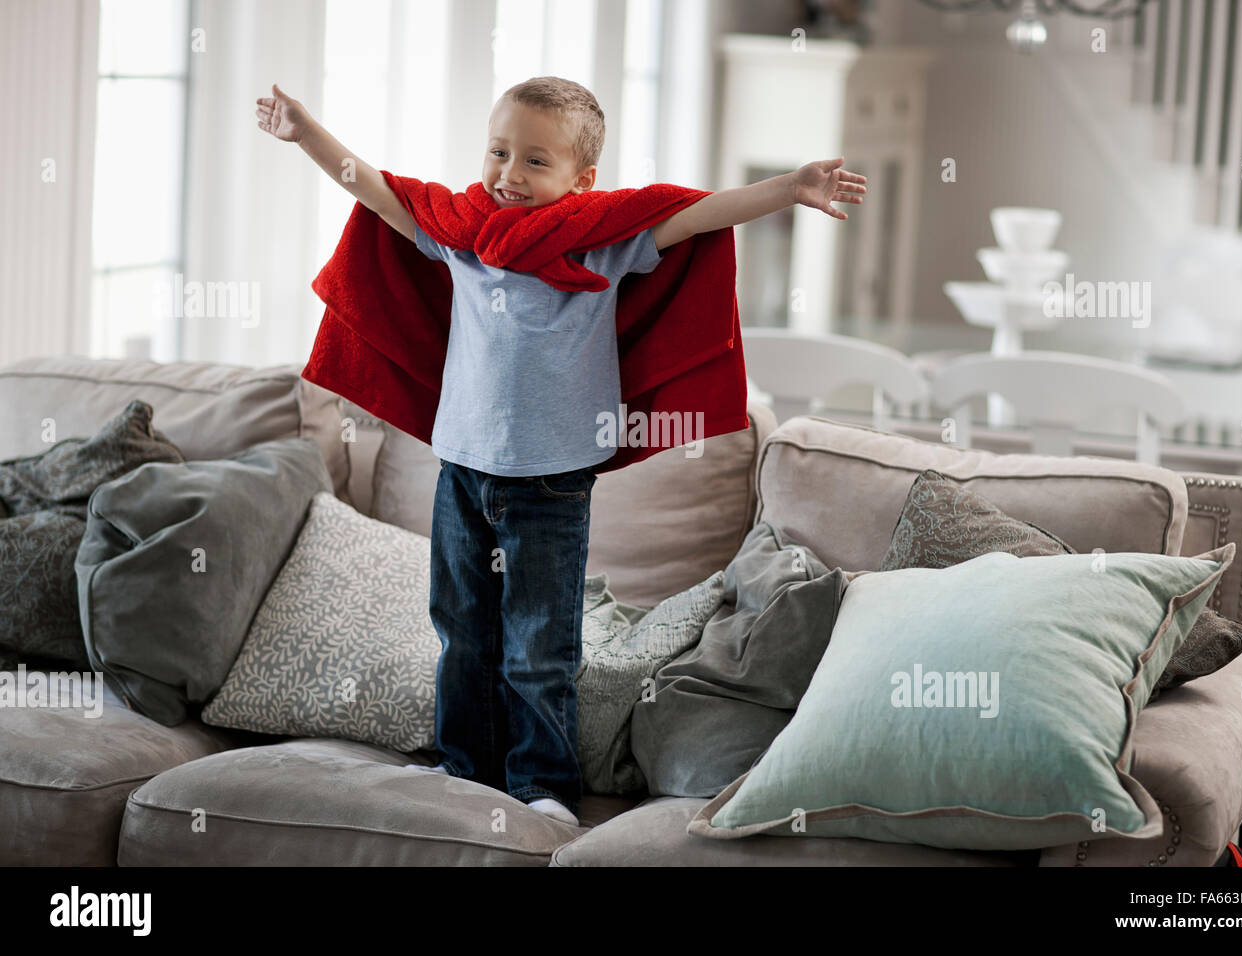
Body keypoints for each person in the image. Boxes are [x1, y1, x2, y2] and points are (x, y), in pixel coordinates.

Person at [255, 75, 865, 827]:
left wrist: (790, 186)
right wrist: (304, 130)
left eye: (534, 162)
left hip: (550, 485)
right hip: (463, 475)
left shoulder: (606, 242)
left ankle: (541, 782)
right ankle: (463, 768)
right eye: (499, 151)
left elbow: (697, 212)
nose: (509, 174)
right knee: (463, 633)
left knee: (538, 645)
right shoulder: (462, 234)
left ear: (582, 180)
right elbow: (378, 190)